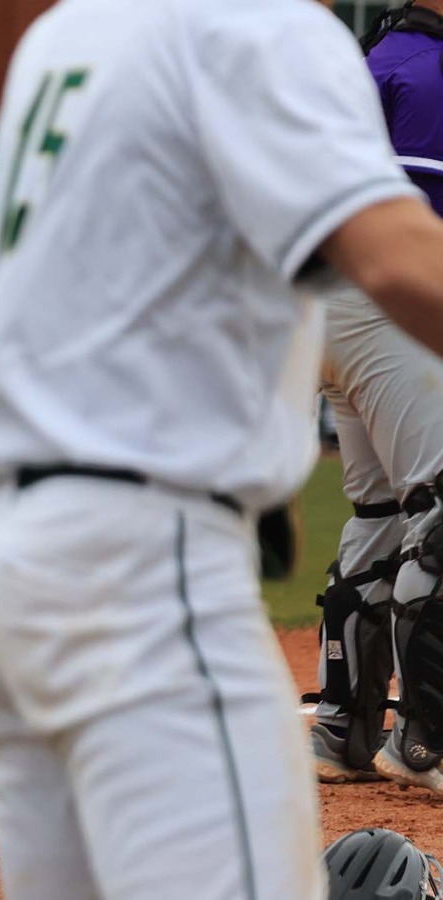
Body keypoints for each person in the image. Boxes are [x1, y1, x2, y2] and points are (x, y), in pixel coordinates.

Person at [0, 0, 443, 896]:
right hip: (138, 570)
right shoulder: (261, 29)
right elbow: (397, 258)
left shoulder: (68, 31)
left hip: (1, 565)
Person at [306, 0, 443, 796]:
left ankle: (341, 731)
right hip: (382, 304)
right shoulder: (424, 72)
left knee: (380, 516)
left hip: (327, 310)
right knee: (439, 511)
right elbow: (418, 222)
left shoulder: (370, 61)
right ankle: (424, 739)